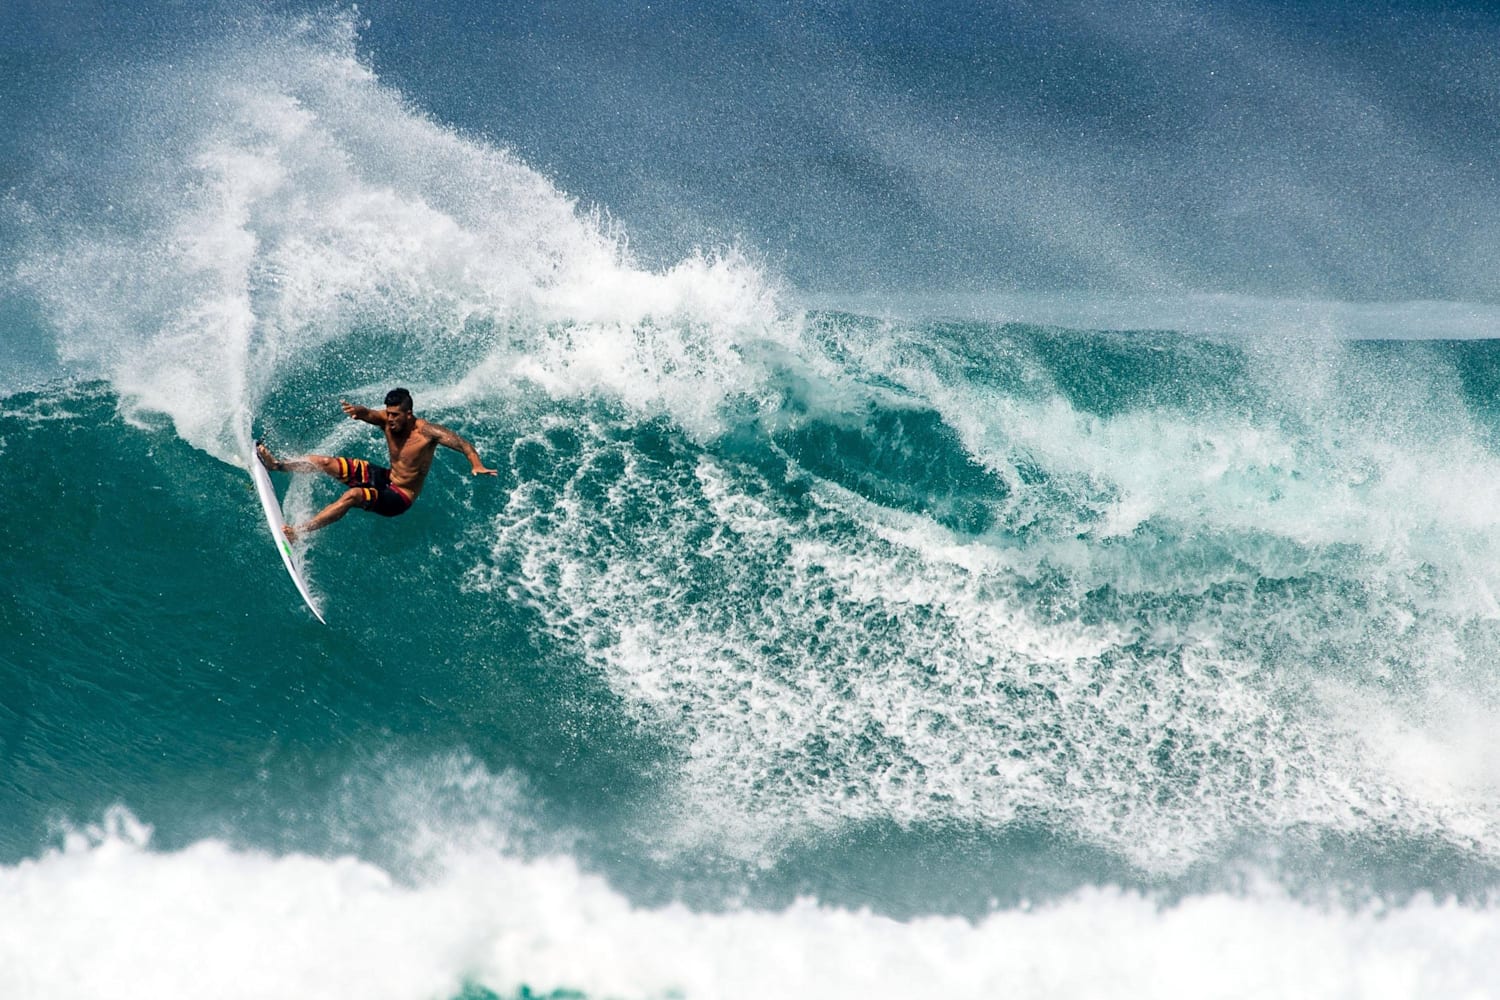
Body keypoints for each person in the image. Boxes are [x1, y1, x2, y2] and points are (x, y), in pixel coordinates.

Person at [256, 387, 497, 543]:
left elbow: (463, 444)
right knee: (324, 462)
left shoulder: (426, 433)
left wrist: (476, 464)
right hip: (386, 478)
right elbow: (370, 414)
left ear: (409, 413)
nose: (390, 419)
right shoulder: (386, 419)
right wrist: (359, 412)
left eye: (395, 415)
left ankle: (299, 532)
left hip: (401, 497)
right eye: (388, 413)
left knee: (353, 496)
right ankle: (277, 465)